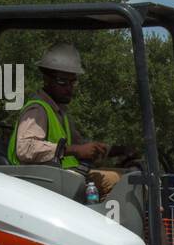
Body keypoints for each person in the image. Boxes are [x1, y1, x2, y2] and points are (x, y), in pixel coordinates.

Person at [8, 43, 120, 195]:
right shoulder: (38, 110)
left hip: (61, 179)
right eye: (62, 82)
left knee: (124, 177)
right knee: (114, 181)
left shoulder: (59, 112)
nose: (69, 87)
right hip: (40, 185)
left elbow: (80, 144)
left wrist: (114, 150)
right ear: (46, 79)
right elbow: (25, 148)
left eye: (72, 82)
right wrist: (74, 150)